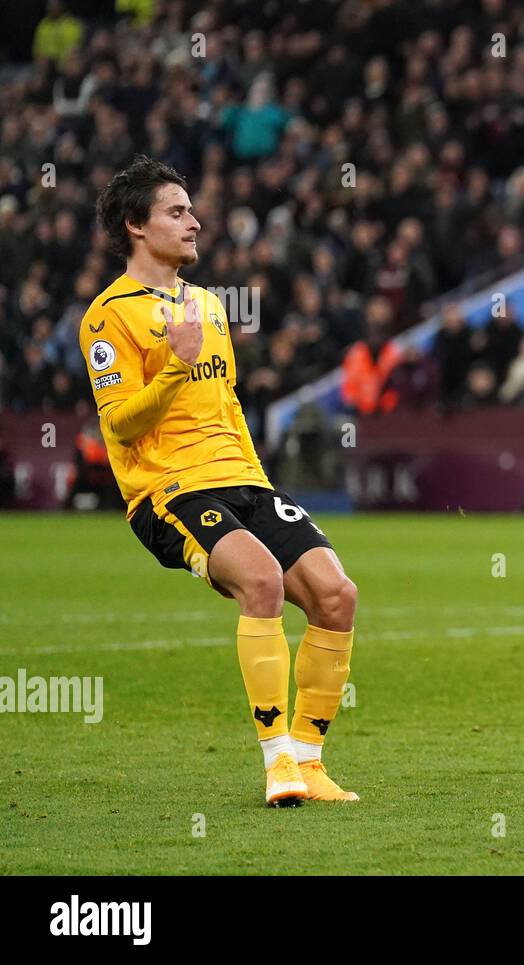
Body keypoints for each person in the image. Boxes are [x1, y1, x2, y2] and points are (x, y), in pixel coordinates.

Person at [80, 156, 359, 807]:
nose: (195, 221)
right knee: (260, 579)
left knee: (337, 593)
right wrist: (172, 368)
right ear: (135, 226)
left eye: (190, 209)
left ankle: (312, 761)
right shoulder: (107, 316)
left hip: (242, 479)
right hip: (169, 490)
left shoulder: (205, 304)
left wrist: (261, 488)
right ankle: (277, 761)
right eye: (176, 211)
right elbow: (118, 423)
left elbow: (227, 401)